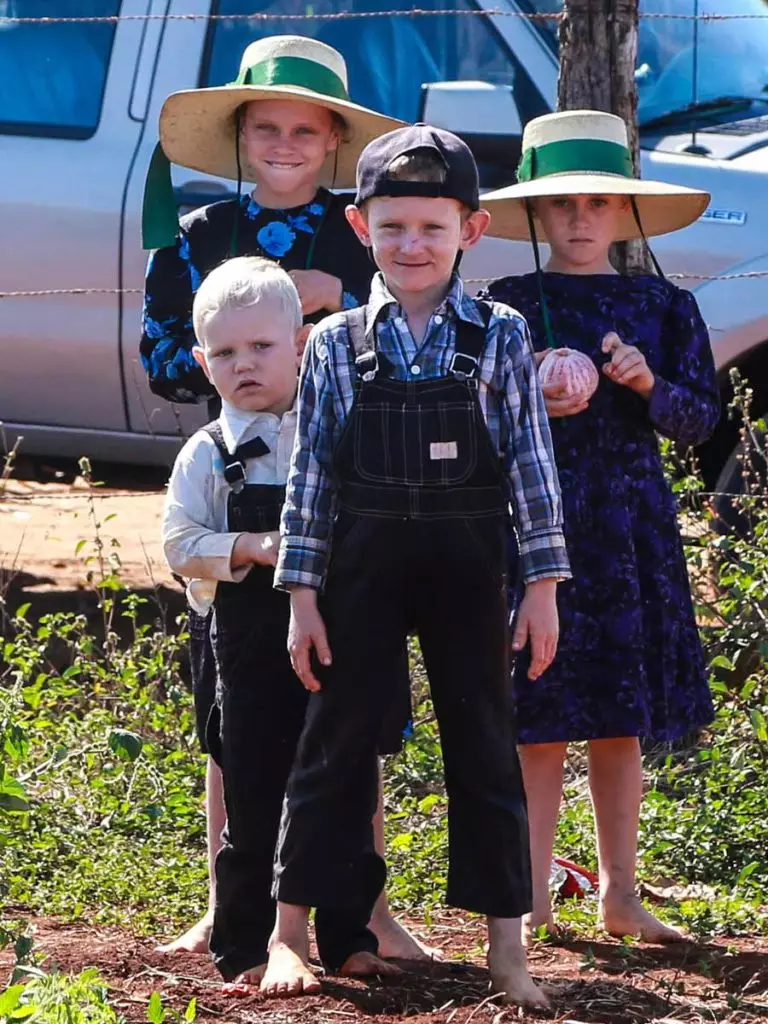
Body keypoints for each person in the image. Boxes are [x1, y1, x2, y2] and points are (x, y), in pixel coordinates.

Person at [266, 124, 571, 1006]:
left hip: (468, 562)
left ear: (470, 231)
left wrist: (542, 586)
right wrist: (301, 593)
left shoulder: (501, 335)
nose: (412, 245)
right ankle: (290, 933)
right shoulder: (332, 345)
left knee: (483, 744)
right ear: (361, 226)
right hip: (360, 560)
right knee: (333, 740)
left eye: (432, 228)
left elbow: (530, 466)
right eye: (392, 225)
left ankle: (506, 952)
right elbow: (311, 473)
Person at [141, 35, 421, 959]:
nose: (286, 143)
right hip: (233, 486)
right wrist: (251, 337)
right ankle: (233, 903)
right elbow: (167, 362)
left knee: (349, 713)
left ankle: (367, 908)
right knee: (234, 720)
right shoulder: (200, 237)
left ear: (334, 139)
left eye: (306, 129)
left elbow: (399, 349)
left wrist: (325, 315)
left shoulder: (363, 231)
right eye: (268, 126)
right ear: (241, 133)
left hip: (343, 493)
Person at [479, 109, 717, 945]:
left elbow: (698, 421)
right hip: (536, 532)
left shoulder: (663, 305)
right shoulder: (504, 306)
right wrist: (530, 377)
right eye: (562, 205)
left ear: (625, 210)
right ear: (537, 215)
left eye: (598, 203)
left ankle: (621, 893)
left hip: (630, 531)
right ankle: (531, 897)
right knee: (536, 718)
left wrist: (648, 384)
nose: (580, 220)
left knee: (622, 718)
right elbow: (476, 414)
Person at [162, 256, 403, 989]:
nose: (245, 366)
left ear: (300, 344)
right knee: (255, 785)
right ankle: (245, 943)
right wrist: (248, 547)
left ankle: (348, 933)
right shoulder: (208, 454)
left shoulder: (331, 429)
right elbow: (178, 544)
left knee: (344, 782)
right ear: (204, 363)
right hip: (248, 641)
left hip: (335, 633)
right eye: (226, 354)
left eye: (262, 347)